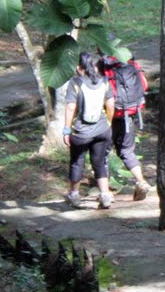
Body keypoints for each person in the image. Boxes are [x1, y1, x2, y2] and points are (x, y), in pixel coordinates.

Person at [63, 51, 116, 210]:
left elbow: (70, 107)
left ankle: (74, 195)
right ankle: (105, 195)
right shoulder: (105, 81)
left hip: (81, 132)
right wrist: (108, 122)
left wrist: (66, 130)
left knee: (77, 162)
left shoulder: (75, 83)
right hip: (102, 130)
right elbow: (111, 105)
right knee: (99, 163)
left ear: (79, 67)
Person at [100, 52, 152, 201]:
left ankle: (105, 192)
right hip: (128, 114)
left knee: (102, 154)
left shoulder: (103, 66)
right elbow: (144, 84)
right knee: (127, 151)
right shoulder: (130, 62)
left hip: (108, 117)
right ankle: (141, 181)